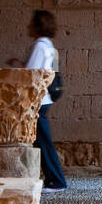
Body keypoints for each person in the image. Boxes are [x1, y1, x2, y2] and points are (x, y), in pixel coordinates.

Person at [25, 10, 67, 191]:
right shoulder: (51, 46)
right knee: (42, 141)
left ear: (37, 26)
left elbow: (31, 72)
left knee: (43, 142)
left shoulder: (40, 45)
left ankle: (57, 181)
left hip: (39, 100)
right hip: (47, 97)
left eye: (31, 23)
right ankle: (52, 179)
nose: (28, 27)